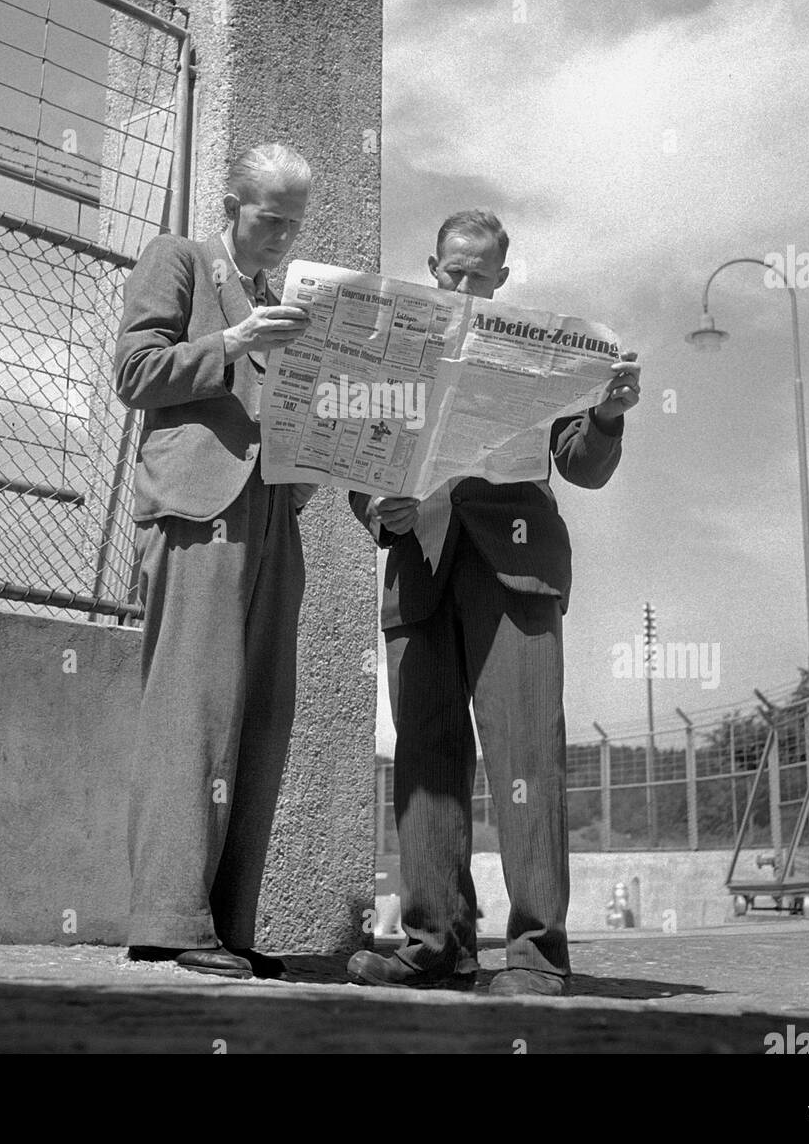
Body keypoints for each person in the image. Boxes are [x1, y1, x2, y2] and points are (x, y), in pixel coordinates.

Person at [347, 210, 641, 996]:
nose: (463, 284)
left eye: (479, 274)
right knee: (424, 762)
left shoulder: (539, 352)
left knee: (526, 760)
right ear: (432, 266)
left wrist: (607, 415)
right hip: (418, 569)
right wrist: (376, 506)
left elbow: (581, 465)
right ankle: (435, 944)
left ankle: (538, 957)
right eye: (451, 270)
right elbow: (364, 458)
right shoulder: (396, 348)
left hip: (514, 569)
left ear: (503, 280)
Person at [114, 142, 316, 980]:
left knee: (261, 718)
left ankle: (225, 923)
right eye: (270, 220)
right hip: (198, 507)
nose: (281, 238)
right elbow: (134, 371)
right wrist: (232, 340)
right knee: (192, 712)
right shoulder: (181, 260)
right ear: (232, 205)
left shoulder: (290, 298)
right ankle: (167, 920)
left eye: (294, 225)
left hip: (274, 511)